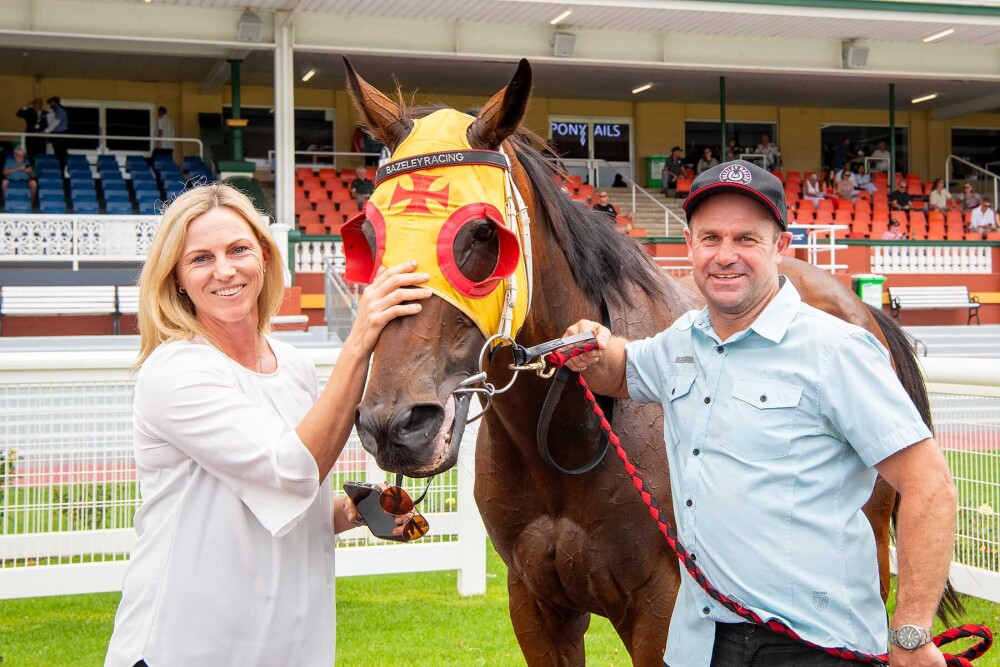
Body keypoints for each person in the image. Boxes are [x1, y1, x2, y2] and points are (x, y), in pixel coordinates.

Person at [560, 160, 956, 667]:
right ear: (690, 246)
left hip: (812, 647)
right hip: (699, 644)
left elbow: (930, 486)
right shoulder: (684, 340)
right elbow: (620, 370)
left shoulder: (836, 351)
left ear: (780, 248)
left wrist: (910, 631)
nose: (725, 256)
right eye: (711, 239)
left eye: (746, 239)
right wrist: (594, 344)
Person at [104, 183, 432, 666]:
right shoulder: (174, 370)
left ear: (263, 256)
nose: (225, 270)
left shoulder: (294, 365)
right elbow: (291, 471)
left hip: (289, 645)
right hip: (186, 647)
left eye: (238, 249)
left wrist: (352, 511)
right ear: (175, 278)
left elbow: (286, 502)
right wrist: (360, 342)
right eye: (200, 259)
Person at [15, 98, 47, 164]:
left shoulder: (45, 113)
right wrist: (26, 105)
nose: (39, 104)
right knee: (30, 153)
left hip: (41, 136)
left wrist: (44, 131)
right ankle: (31, 169)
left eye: (41, 103)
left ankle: (40, 170)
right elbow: (19, 114)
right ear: (34, 104)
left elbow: (48, 124)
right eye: (37, 103)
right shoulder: (29, 111)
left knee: (41, 154)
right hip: (30, 134)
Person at [44, 96, 69, 171]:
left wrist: (45, 131)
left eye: (51, 103)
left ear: (56, 103)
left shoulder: (60, 111)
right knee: (57, 153)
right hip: (56, 135)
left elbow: (56, 123)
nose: (50, 105)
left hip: (61, 135)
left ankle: (62, 170)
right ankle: (59, 169)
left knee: (61, 153)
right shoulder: (54, 112)